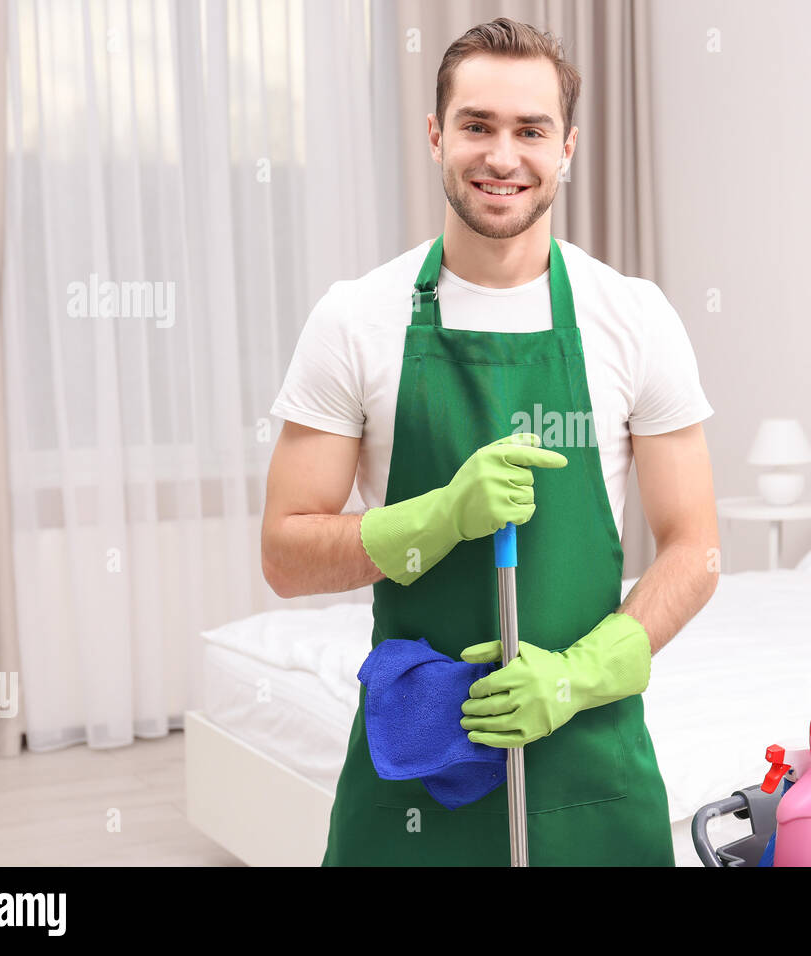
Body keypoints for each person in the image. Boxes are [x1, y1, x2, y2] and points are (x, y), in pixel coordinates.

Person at [261, 16, 719, 866]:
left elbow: (695, 551)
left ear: (567, 146)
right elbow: (286, 554)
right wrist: (439, 517)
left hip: (587, 753)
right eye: (477, 125)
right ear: (437, 135)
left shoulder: (634, 316)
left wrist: (573, 678)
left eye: (530, 130)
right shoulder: (357, 319)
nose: (502, 156)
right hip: (416, 765)